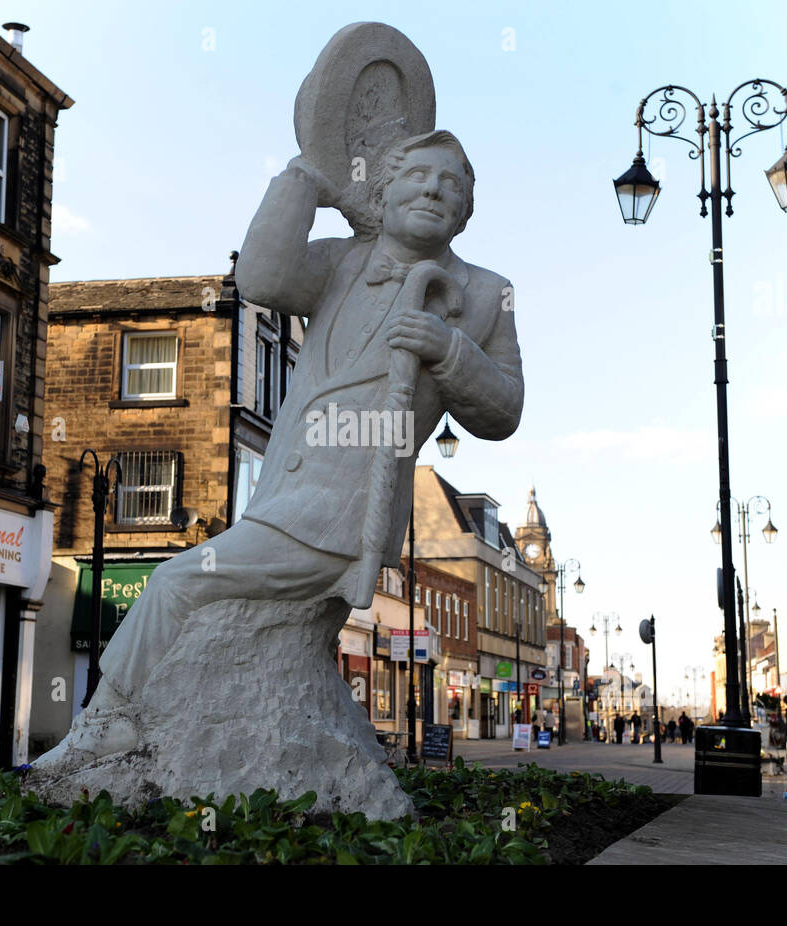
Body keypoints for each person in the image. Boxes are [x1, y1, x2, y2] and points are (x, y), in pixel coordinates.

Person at [35, 128, 524, 775]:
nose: (435, 189)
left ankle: (109, 723)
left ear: (464, 212)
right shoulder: (342, 261)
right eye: (419, 175)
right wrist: (305, 179)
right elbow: (262, 274)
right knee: (201, 600)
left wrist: (448, 347)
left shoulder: (487, 293)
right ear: (384, 189)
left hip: (349, 510)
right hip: (288, 495)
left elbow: (506, 408)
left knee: (177, 583)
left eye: (452, 184)